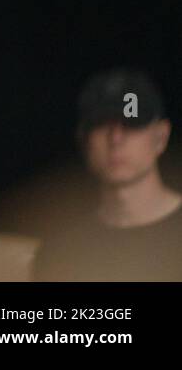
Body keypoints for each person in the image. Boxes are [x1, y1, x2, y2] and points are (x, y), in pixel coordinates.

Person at [33, 68, 182, 281]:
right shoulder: (60, 251)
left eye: (132, 122)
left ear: (161, 136)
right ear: (83, 140)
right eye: (101, 124)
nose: (116, 138)